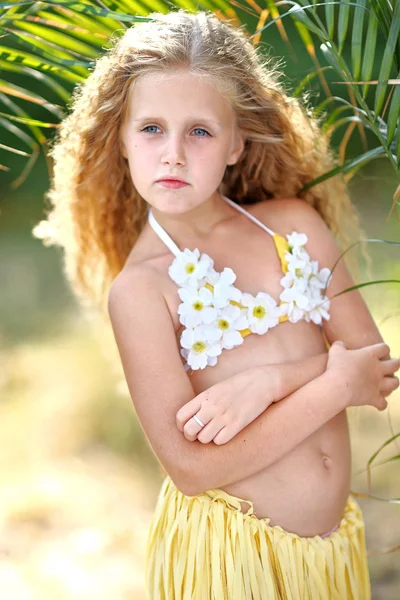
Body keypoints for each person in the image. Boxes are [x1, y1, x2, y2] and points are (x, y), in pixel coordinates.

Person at [33, 9, 400, 599]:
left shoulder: (292, 227)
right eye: (151, 128)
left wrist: (271, 381)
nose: (173, 153)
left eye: (199, 131)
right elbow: (192, 468)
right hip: (232, 560)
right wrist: (332, 386)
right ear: (121, 140)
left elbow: (374, 368)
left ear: (235, 144)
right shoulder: (142, 290)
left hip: (333, 551)